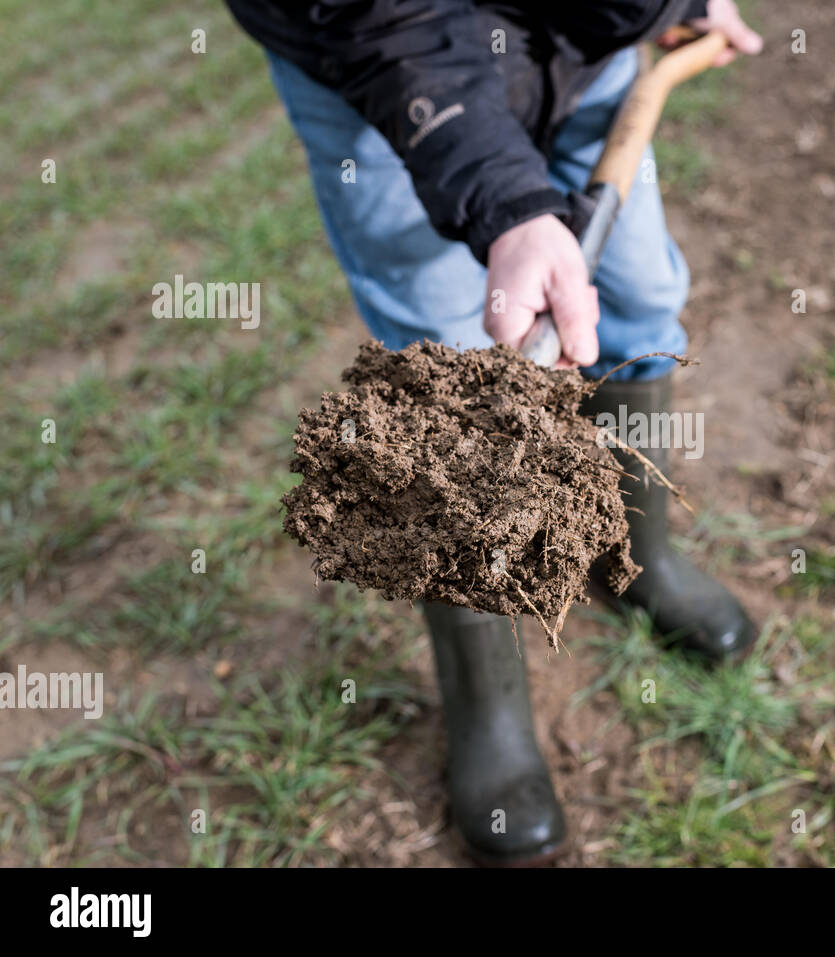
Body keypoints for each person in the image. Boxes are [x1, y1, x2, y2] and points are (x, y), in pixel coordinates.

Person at [225, 0, 764, 865]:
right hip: (382, 63)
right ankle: (490, 703)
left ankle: (634, 558)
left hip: (586, 51)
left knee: (633, 299)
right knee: (459, 379)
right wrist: (508, 205)